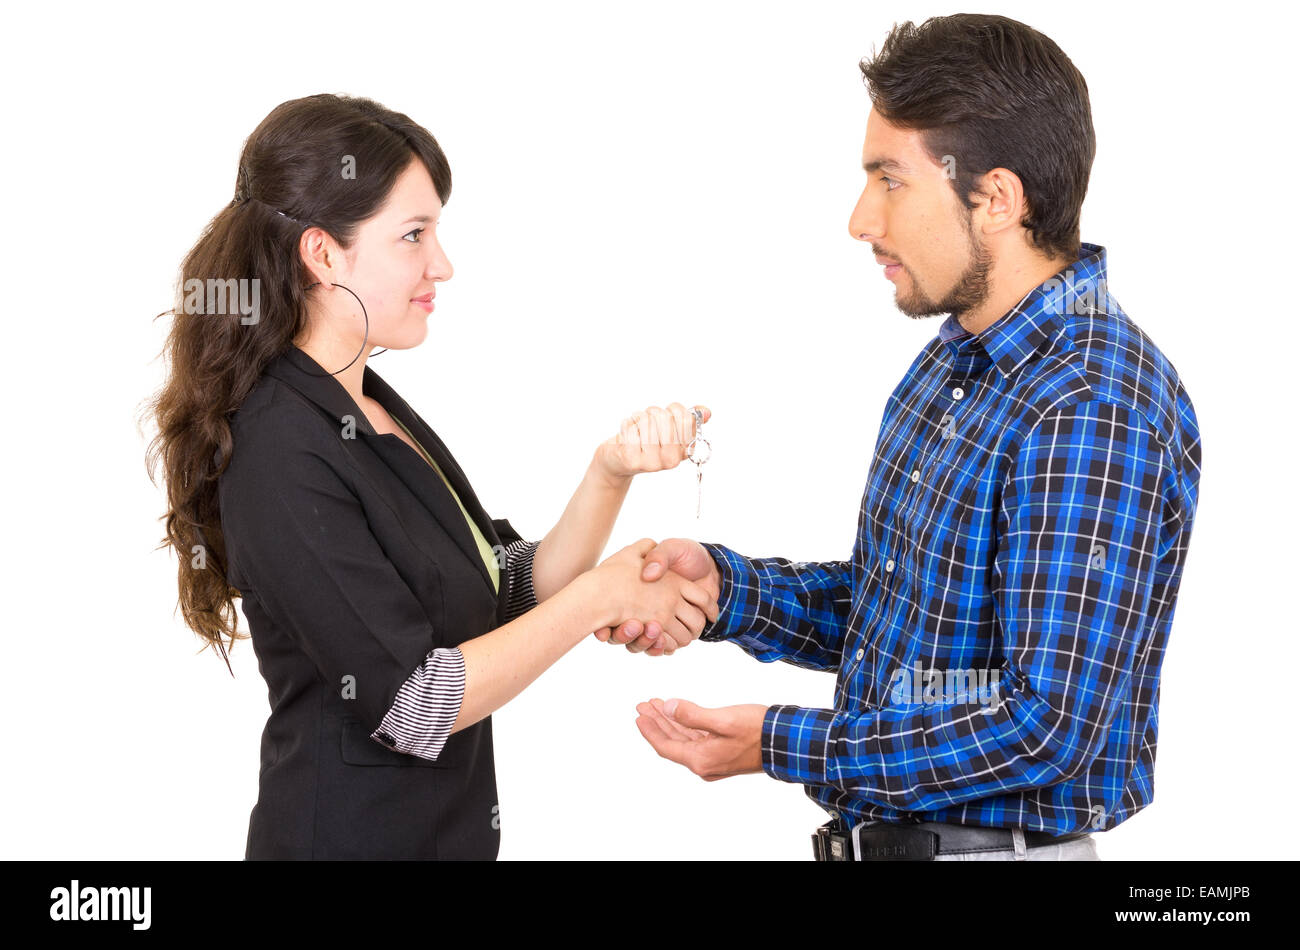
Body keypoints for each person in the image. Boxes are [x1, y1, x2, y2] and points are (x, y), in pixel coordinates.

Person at [615, 14, 1201, 861]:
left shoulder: (1092, 403)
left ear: (996, 198)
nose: (860, 220)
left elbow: (1044, 727)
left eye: (890, 179)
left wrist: (778, 744)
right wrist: (726, 592)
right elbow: (906, 620)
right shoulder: (954, 363)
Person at [146, 93, 719, 860]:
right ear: (322, 254)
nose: (441, 265)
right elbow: (413, 703)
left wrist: (609, 472)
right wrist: (602, 597)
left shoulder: (370, 404)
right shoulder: (280, 448)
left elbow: (506, 591)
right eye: (412, 236)